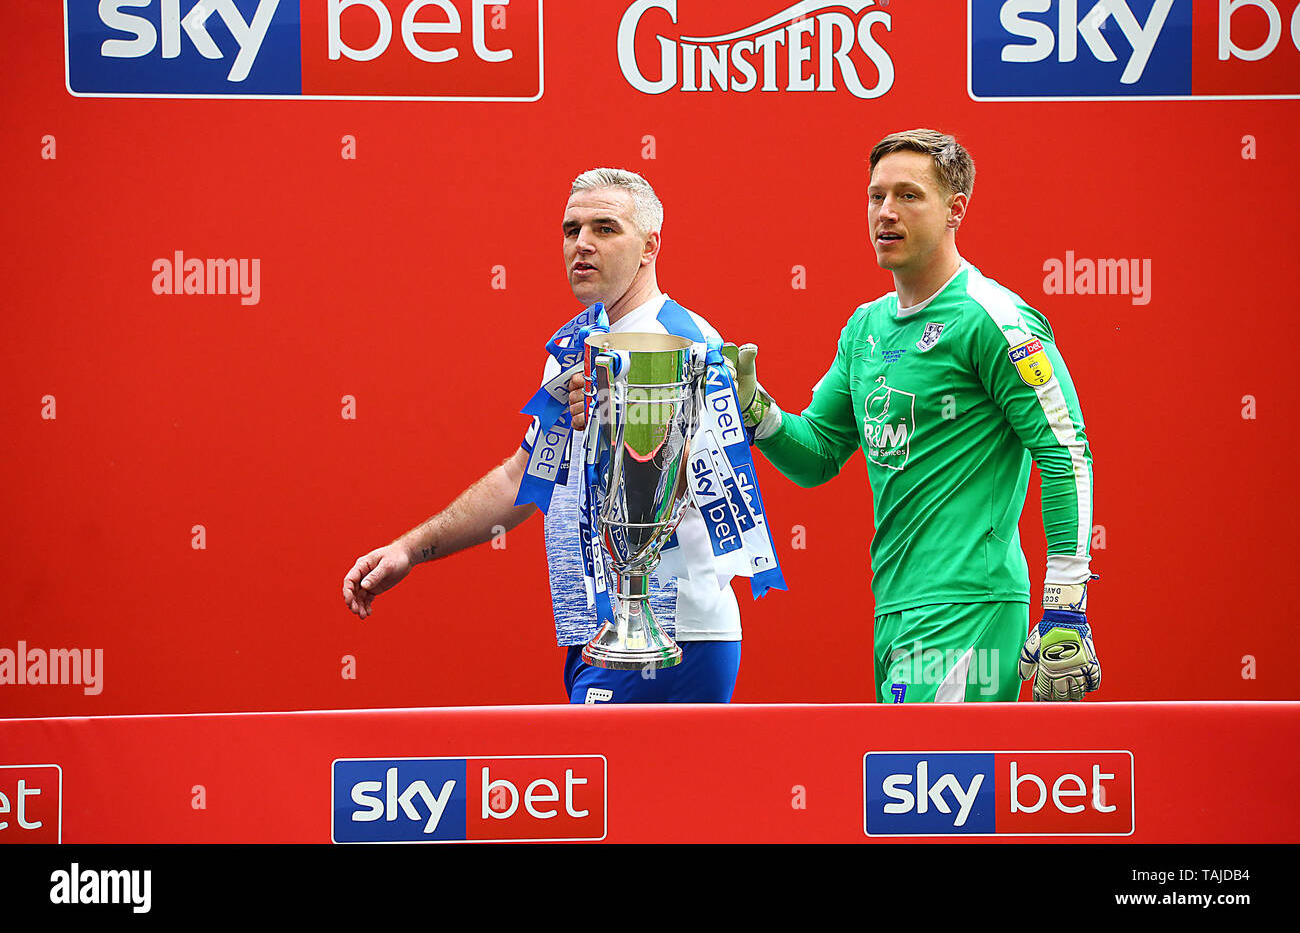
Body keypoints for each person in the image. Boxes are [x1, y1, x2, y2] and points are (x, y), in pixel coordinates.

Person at [342, 168, 742, 704]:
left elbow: (716, 479)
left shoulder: (685, 341)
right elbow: (523, 479)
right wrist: (409, 549)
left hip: (670, 635)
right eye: (571, 229)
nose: (582, 244)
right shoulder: (575, 346)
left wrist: (616, 419)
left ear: (650, 247)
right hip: (593, 634)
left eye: (605, 228)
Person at [735, 129, 1100, 703]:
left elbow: (1066, 450)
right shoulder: (865, 326)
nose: (885, 212)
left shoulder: (994, 318)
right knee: (902, 786)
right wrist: (756, 410)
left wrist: (1066, 605)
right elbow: (819, 455)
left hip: (969, 606)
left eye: (908, 196)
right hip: (895, 609)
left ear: (956, 210)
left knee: (935, 779)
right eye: (876, 197)